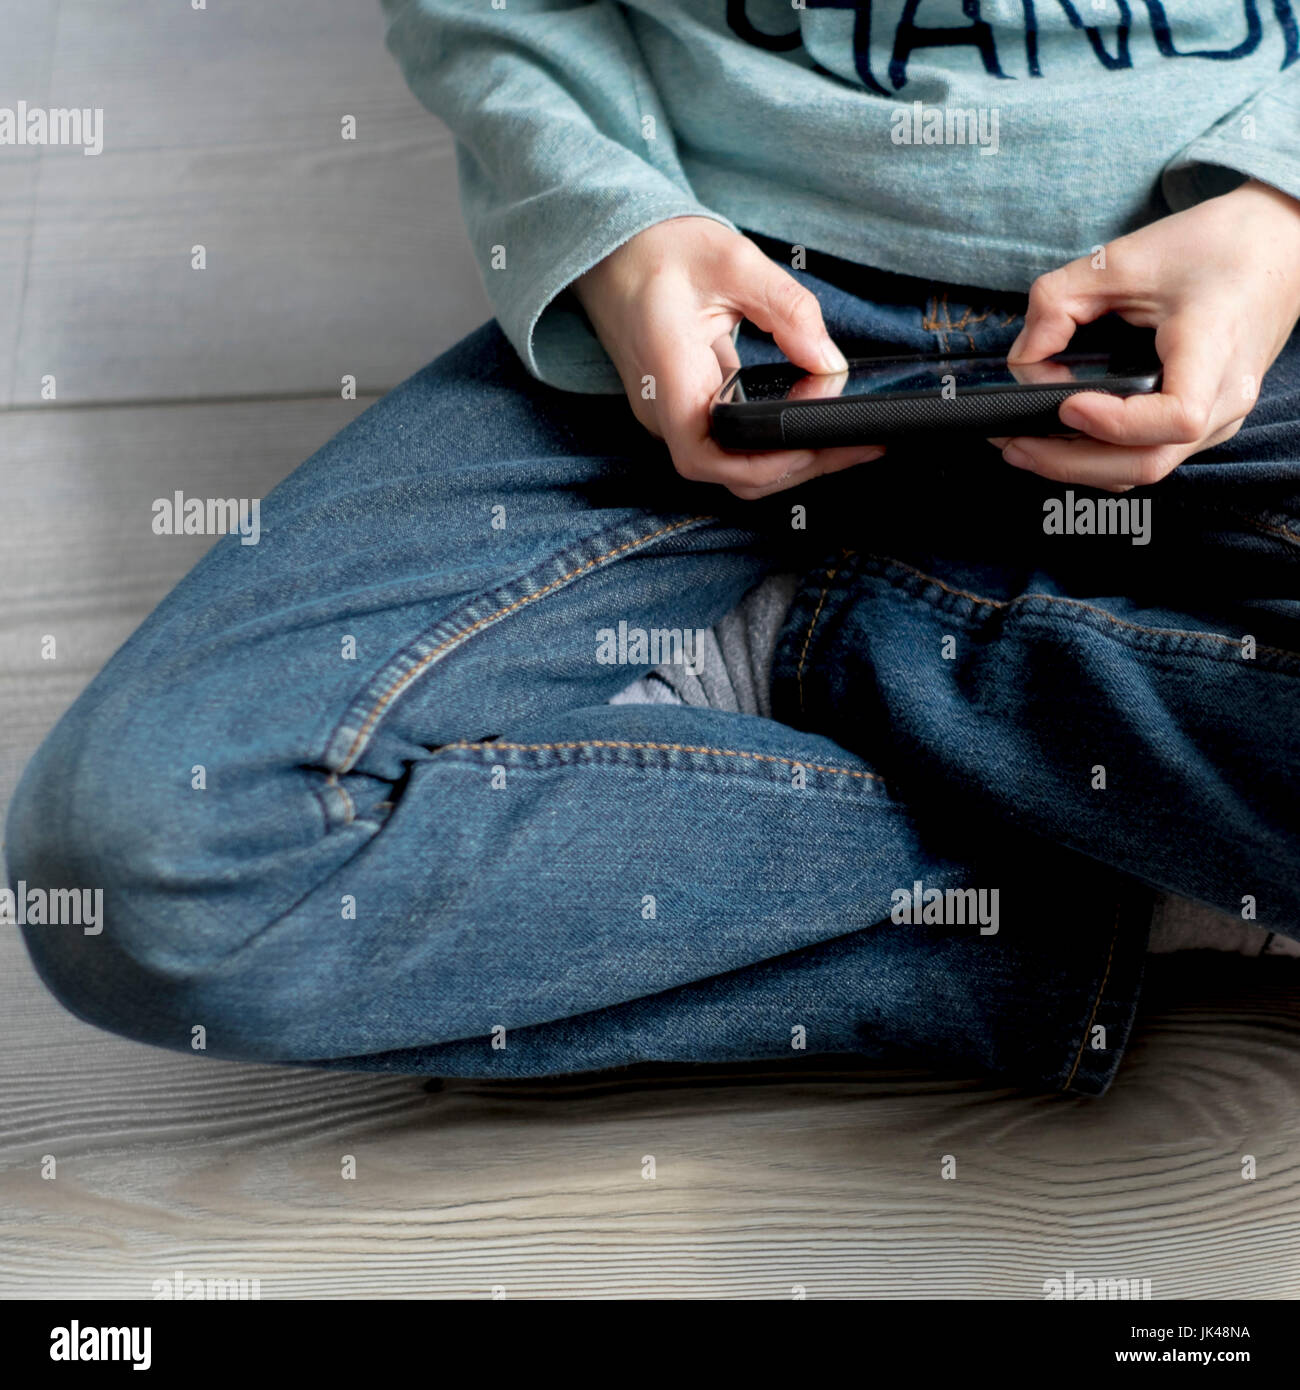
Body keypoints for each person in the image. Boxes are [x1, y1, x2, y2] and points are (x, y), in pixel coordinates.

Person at [7, 3, 1300, 1095]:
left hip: (1240, 290)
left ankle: (836, 649)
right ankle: (1146, 835)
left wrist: (1283, 198)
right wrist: (610, 226)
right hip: (725, 295)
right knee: (148, 878)